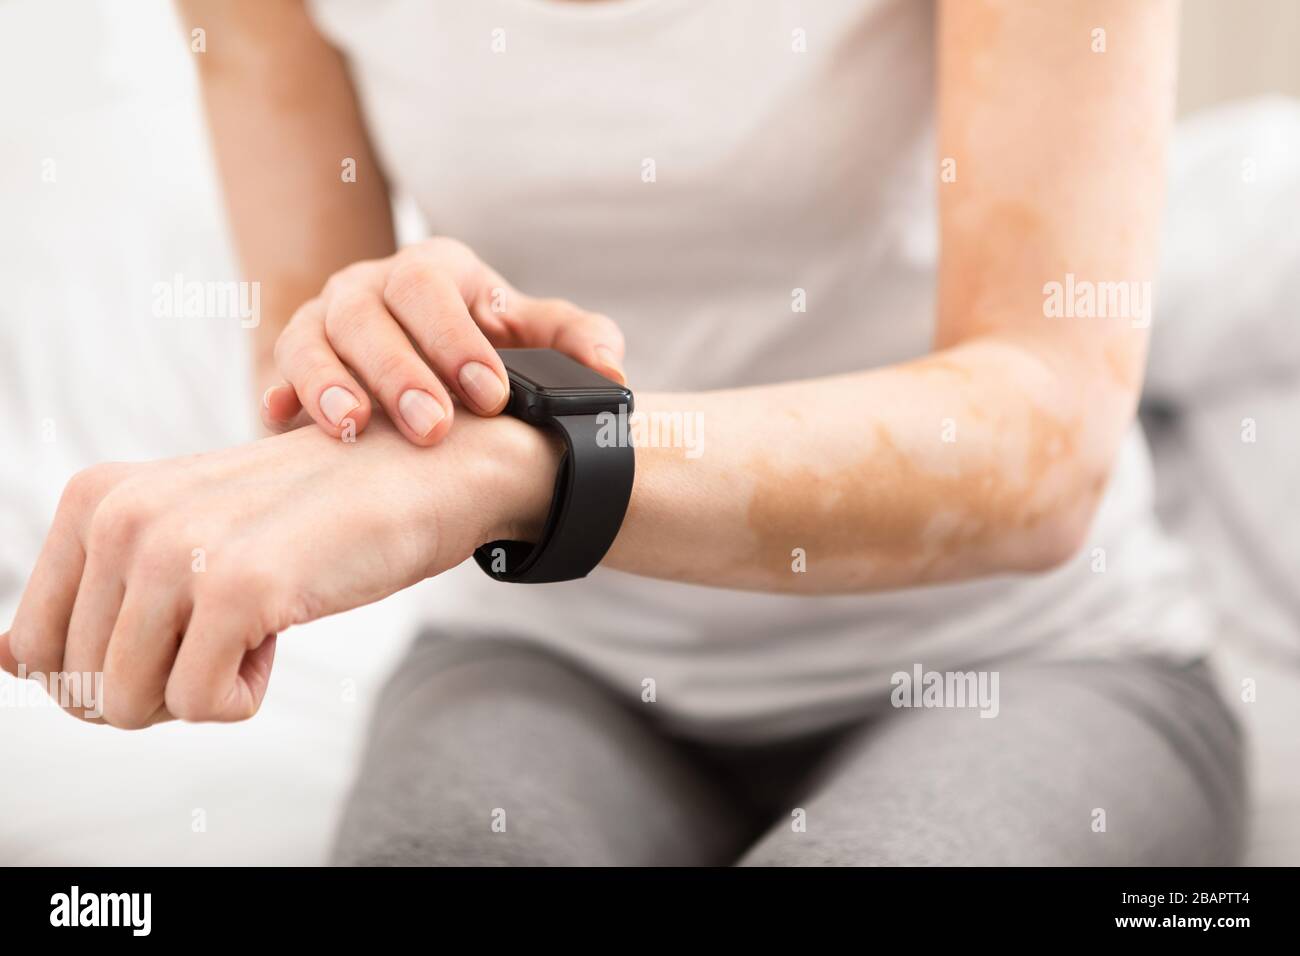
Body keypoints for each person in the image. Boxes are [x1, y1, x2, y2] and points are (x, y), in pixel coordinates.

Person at [0, 0, 1245, 865]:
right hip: (554, 665)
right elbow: (304, 382)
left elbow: (1047, 444)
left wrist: (540, 464)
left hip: (1025, 658)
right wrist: (375, 337)